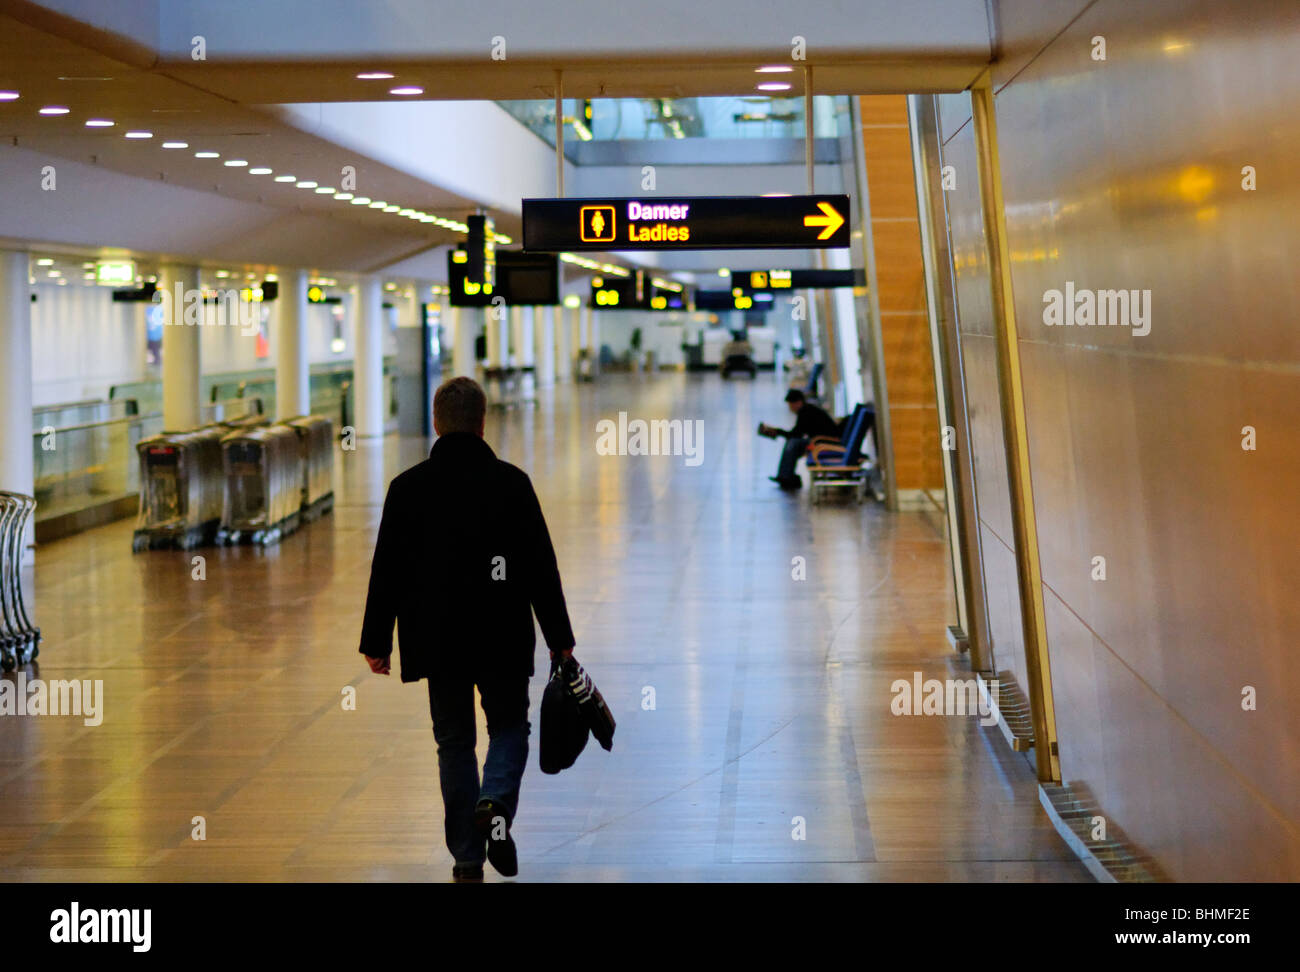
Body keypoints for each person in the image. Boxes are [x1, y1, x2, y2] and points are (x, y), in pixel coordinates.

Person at [358, 376, 575, 883]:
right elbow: (543, 567)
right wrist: (558, 637)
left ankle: (467, 857)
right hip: (501, 633)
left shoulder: (407, 488)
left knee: (454, 742)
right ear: (483, 423)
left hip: (437, 638)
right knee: (508, 728)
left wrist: (376, 641)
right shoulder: (512, 483)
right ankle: (495, 799)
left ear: (436, 422)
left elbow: (384, 568)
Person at [757, 388, 839, 489]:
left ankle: (786, 476)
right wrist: (778, 432)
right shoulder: (807, 410)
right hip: (820, 441)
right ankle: (786, 475)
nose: (790, 408)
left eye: (790, 405)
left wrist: (777, 432)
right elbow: (797, 433)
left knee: (793, 443)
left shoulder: (806, 412)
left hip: (824, 442)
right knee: (793, 442)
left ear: (798, 402)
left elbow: (796, 434)